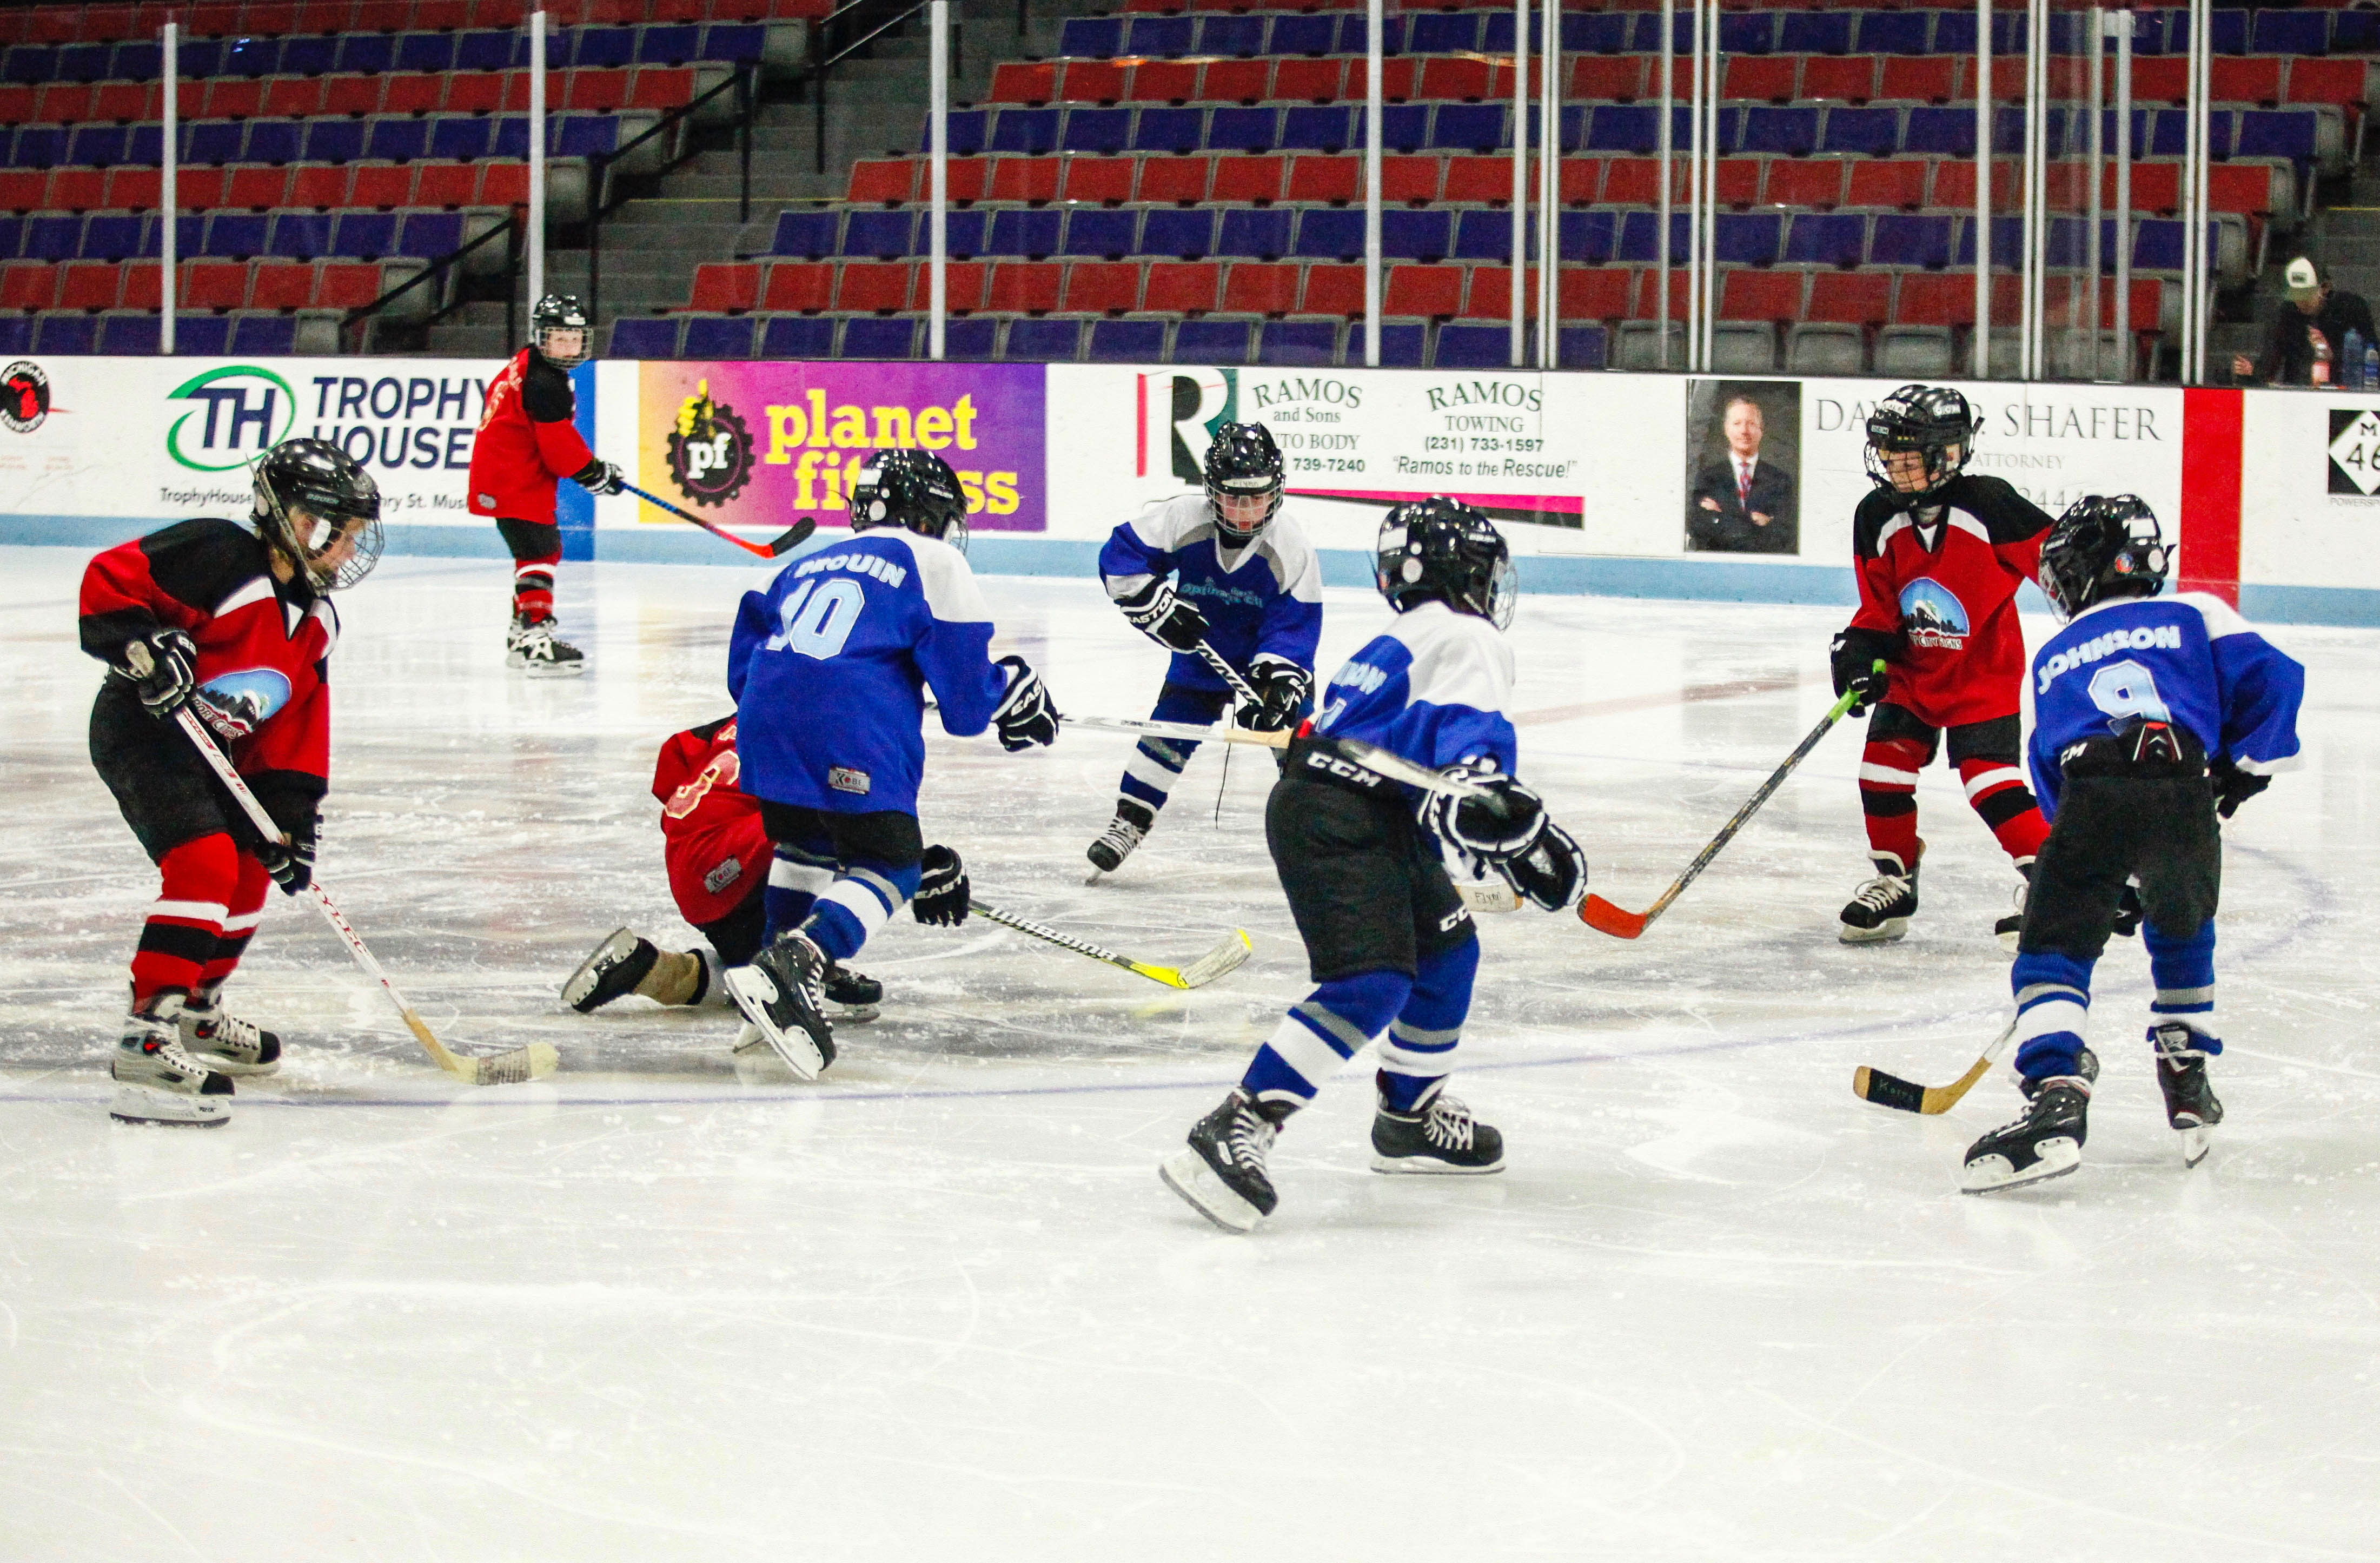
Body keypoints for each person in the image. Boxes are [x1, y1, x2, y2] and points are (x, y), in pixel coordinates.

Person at [1159, 498, 1587, 1234]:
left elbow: (1419, 770)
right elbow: (1472, 744)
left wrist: (1501, 827)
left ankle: (1409, 1116)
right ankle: (1236, 1124)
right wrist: (1494, 800)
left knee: (1447, 953)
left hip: (1355, 809)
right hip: (1340, 818)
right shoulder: (1466, 634)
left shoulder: (1401, 638)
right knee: (1374, 980)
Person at [1961, 496, 2303, 1193]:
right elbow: (2275, 679)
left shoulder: (2057, 652)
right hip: (2182, 792)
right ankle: (2188, 1073)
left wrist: (2097, 873)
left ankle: (2056, 1090)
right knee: (2184, 926)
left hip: (2092, 792)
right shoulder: (2195, 613)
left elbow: (2047, 760)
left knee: (2053, 950)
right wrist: (2242, 769)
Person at [720, 448, 1059, 1078]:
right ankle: (799, 962)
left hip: (762, 726)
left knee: (806, 846)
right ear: (929, 515)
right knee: (893, 863)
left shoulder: (804, 563)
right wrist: (1014, 689)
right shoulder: (935, 559)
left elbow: (745, 666)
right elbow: (963, 706)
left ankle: (763, 991)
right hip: (844, 726)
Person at [78, 438, 384, 1125]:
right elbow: (110, 578)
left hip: (217, 749)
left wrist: (289, 816)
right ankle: (145, 1038)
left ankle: (197, 1011)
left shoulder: (316, 622)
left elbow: (294, 725)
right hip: (144, 731)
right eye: (328, 528)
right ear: (282, 516)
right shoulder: (221, 555)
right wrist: (141, 644)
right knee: (205, 864)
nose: (339, 549)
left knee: (249, 868)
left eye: (352, 536)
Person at [1830, 385, 2054, 952]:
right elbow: (1879, 602)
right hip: (1911, 671)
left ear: (1949, 453)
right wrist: (1860, 649)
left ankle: (2057, 886)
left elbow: (2058, 561)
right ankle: (1895, 880)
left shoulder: (1989, 504)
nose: (1896, 468)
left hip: (1982, 671)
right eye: (1889, 456)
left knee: (1989, 783)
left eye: (1909, 457)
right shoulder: (1876, 513)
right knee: (1881, 774)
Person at [560, 714, 970, 1025]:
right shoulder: (842, 718)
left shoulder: (754, 711)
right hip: (740, 865)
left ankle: (651, 971)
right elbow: (844, 818)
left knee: (749, 971)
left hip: (695, 871)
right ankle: (806, 959)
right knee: (816, 827)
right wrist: (911, 865)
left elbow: (675, 755)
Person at [1083, 422, 1323, 876]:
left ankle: (1321, 836)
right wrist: (1154, 606)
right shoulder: (1182, 519)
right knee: (1163, 741)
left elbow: (1293, 626)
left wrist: (1279, 683)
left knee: (1299, 753)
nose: (1246, 509)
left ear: (1276, 491)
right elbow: (1122, 556)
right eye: (1234, 497)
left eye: (1256, 497)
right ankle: (1128, 823)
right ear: (1212, 492)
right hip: (1200, 659)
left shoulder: (1290, 546)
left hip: (1263, 667)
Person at [467, 294, 625, 677]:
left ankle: (522, 636)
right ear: (543, 338)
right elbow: (558, 449)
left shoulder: (527, 363)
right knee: (540, 551)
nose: (568, 347)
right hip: (514, 480)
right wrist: (594, 474)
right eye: (560, 339)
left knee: (533, 552)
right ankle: (536, 638)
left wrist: (593, 471)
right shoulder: (544, 381)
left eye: (574, 339)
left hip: (505, 474)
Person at [2233, 256, 2377, 387]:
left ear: (2325, 288)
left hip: (2345, 389)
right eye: (2296, 295)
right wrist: (2252, 374)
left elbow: (2372, 354)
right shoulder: (2286, 313)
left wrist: (2333, 356)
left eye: (2307, 295)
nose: (2300, 302)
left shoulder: (2351, 308)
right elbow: (2271, 358)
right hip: (2298, 391)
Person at [1686, 394, 1798, 554]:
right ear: (1726, 429)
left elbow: (1784, 538)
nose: (1744, 431)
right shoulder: (1707, 478)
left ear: (1761, 430)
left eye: (1751, 424)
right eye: (1737, 424)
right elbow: (1700, 531)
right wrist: (1756, 522)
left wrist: (1722, 516)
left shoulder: (1780, 480)